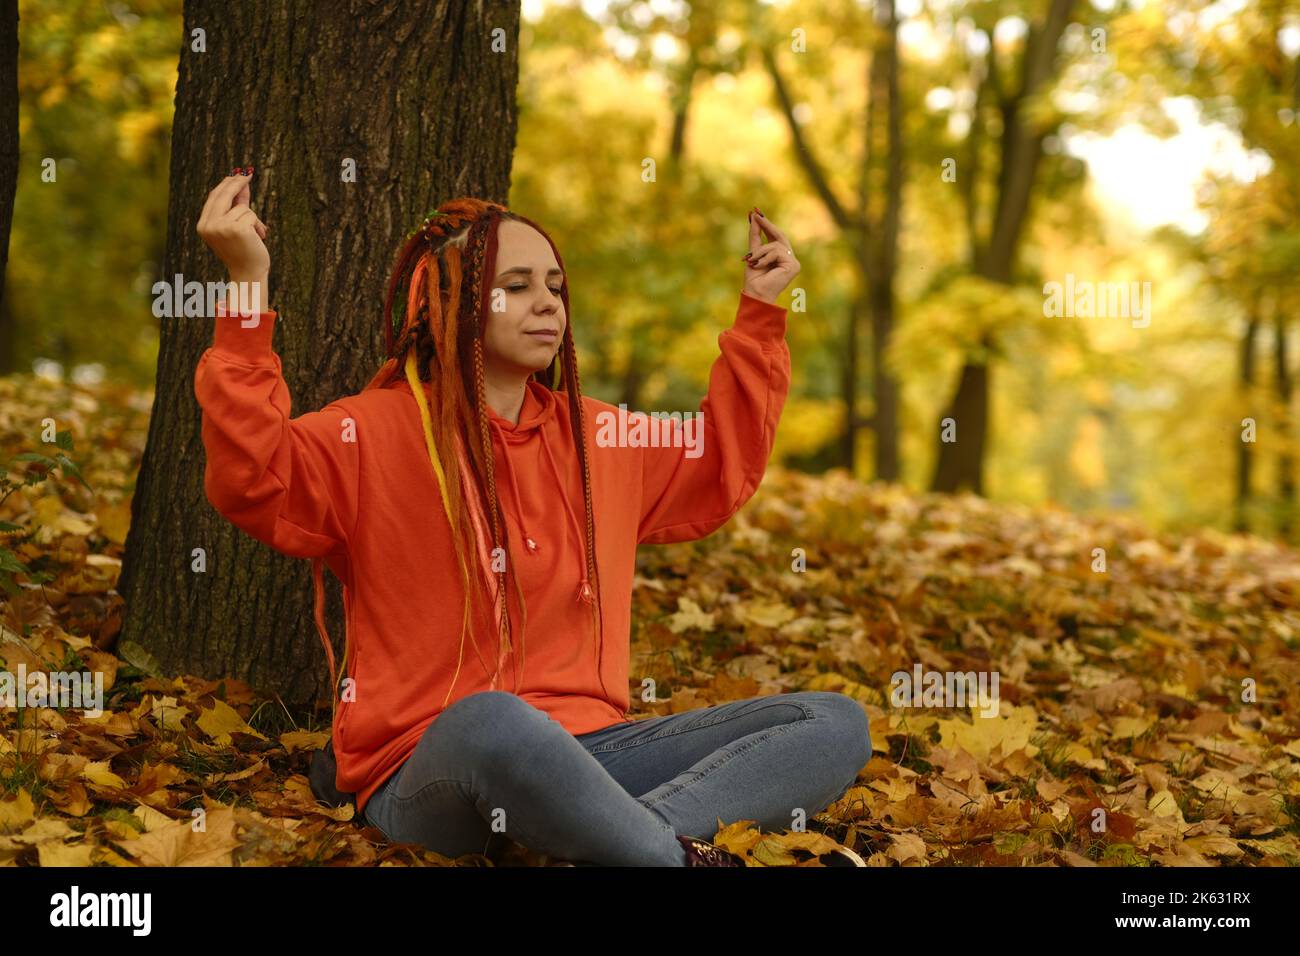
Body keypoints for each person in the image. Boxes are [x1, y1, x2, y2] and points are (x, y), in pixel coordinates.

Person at [193, 171, 871, 866]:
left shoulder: (601, 437)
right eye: (515, 286)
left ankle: (626, 846)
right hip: (436, 769)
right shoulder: (369, 431)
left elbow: (719, 464)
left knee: (833, 723)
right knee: (492, 720)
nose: (546, 304)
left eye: (554, 287)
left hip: (594, 760)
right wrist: (247, 285)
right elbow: (254, 479)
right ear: (449, 302)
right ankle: (659, 856)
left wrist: (760, 310)